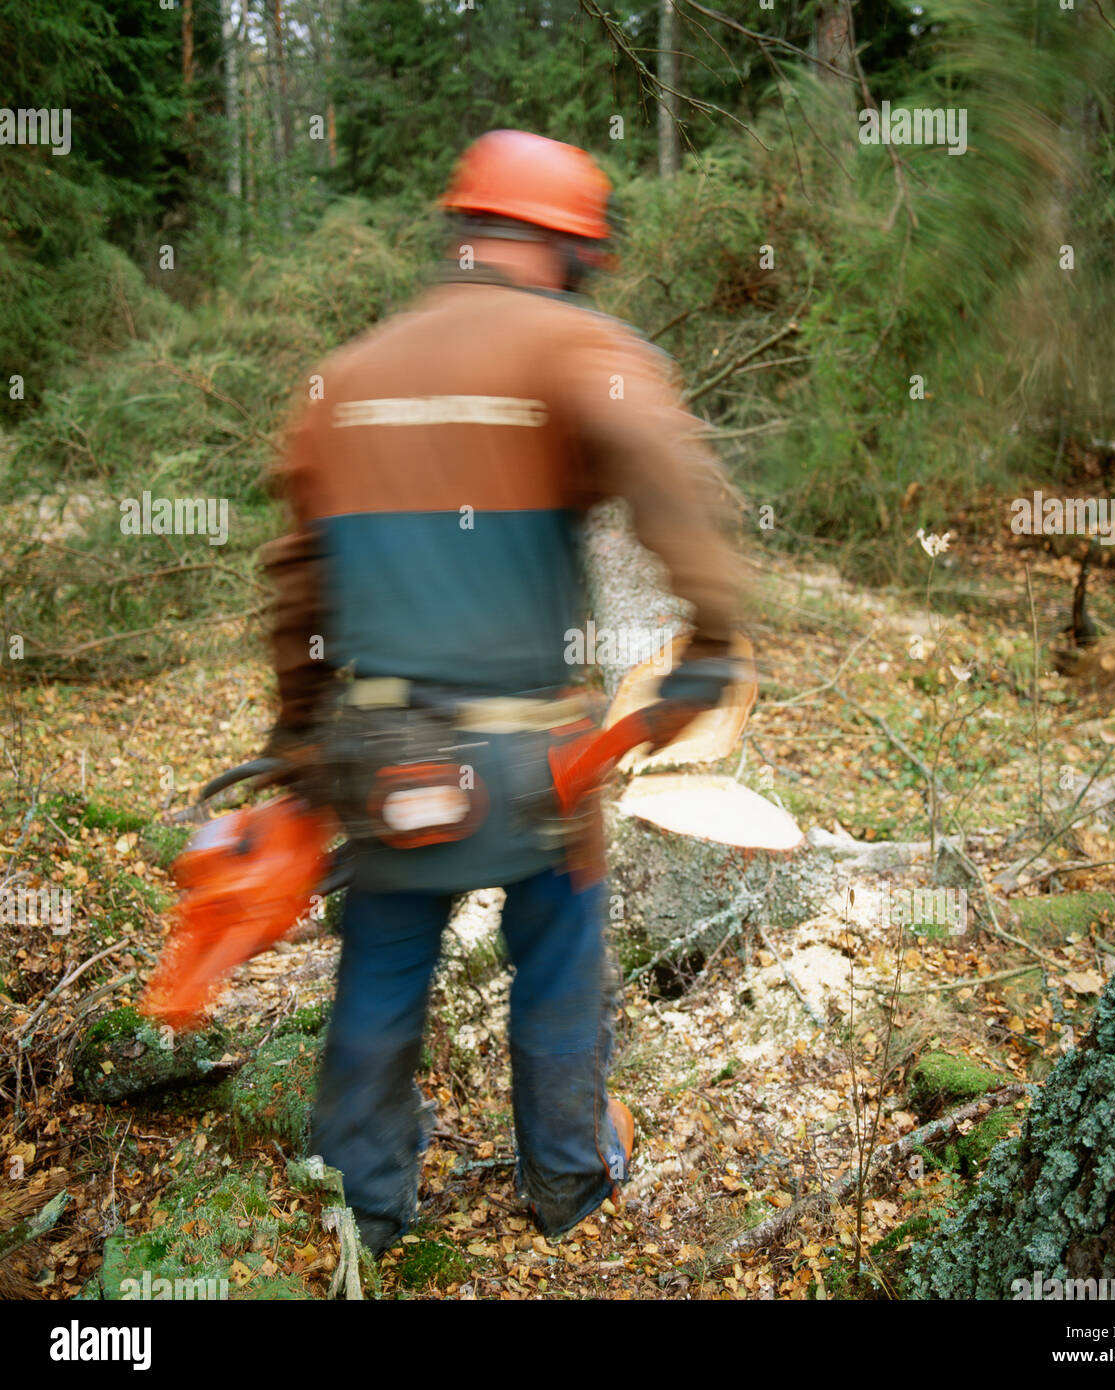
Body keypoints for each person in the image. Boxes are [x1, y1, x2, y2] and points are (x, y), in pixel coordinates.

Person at [259, 129, 741, 1255]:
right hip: (535, 762)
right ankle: (568, 1179)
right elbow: (673, 480)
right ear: (568, 250)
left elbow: (297, 585)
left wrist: (296, 737)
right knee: (562, 961)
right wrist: (711, 633)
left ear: (463, 232)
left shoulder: (353, 372)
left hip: (382, 755)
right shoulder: (575, 350)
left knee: (382, 964)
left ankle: (365, 1210)